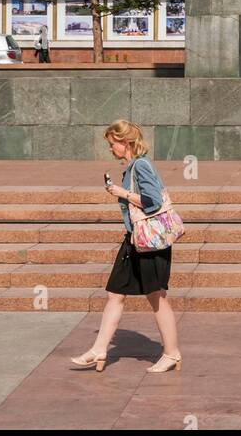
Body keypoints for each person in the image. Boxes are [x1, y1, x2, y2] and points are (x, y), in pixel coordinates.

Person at [70, 120, 181, 374]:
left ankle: (172, 353)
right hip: (134, 241)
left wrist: (122, 192)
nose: (110, 149)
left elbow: (152, 202)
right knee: (115, 295)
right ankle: (99, 349)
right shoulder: (133, 166)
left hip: (151, 243)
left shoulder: (141, 165)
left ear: (126, 143)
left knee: (157, 297)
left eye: (112, 144)